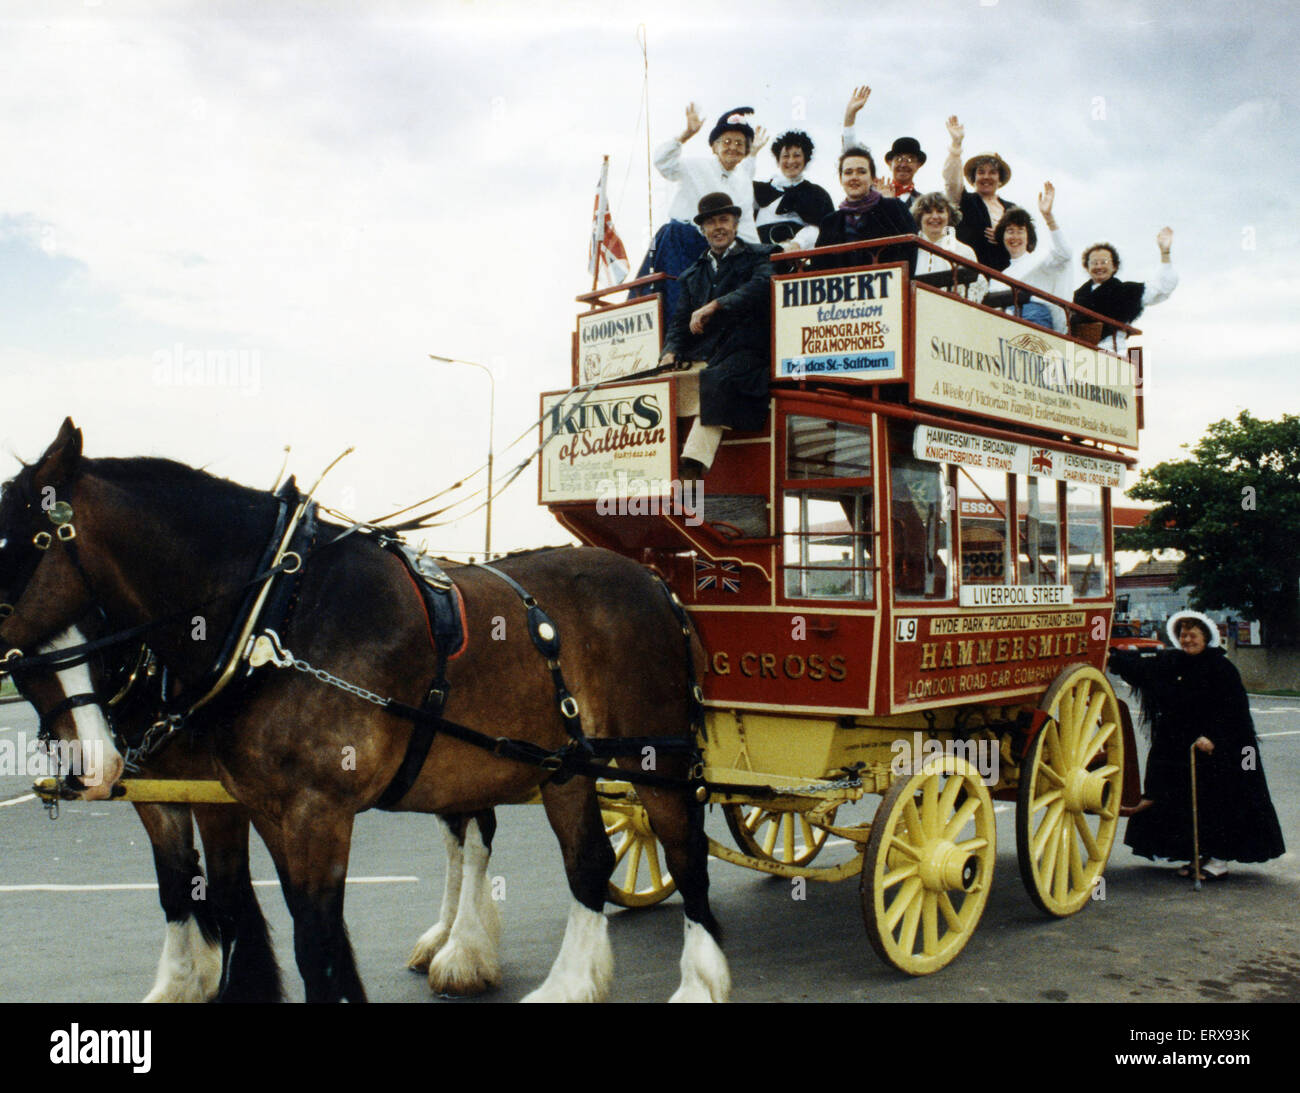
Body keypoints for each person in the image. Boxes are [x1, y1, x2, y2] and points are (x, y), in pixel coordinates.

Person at [1109, 611, 1286, 878]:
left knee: (1219, 801)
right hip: (1185, 745)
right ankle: (1198, 855)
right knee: (1189, 801)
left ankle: (1218, 861)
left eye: (1193, 635)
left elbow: (1235, 711)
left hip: (1222, 748)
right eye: (1183, 634)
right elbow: (1144, 668)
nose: (1187, 640)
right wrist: (1113, 658)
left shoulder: (1222, 668)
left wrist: (1214, 737)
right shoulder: (1174, 661)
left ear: (1206, 637)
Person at [658, 193, 779, 479]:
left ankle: (692, 466)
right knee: (661, 388)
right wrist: (670, 352)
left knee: (717, 380)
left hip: (747, 351)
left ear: (736, 224)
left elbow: (761, 286)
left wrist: (716, 304)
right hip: (707, 355)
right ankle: (655, 467)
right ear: (702, 230)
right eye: (711, 223)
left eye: (724, 220)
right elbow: (679, 323)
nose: (718, 228)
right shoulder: (692, 274)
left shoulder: (761, 255)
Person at [636, 104, 768, 317]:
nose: (732, 147)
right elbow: (663, 163)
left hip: (713, 252)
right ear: (714, 147)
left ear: (745, 151)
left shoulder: (743, 180)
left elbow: (745, 225)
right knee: (674, 304)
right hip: (679, 243)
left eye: (739, 143)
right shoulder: (695, 165)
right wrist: (685, 134)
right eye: (726, 142)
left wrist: (762, 256)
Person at [1072, 228, 1178, 353]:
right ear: (1087, 267)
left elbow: (1162, 287)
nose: (1099, 266)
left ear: (1114, 266)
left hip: (1111, 349)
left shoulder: (1127, 291)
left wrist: (1165, 253)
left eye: (1104, 262)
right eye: (1094, 263)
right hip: (1079, 351)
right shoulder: (1077, 295)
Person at [812, 146, 917, 272]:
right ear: (841, 179)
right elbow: (819, 266)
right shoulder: (829, 222)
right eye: (848, 172)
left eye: (861, 172)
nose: (854, 177)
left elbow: (909, 253)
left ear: (872, 178)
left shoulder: (894, 209)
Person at [942, 115, 1019, 271]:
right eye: (981, 172)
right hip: (968, 272)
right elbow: (951, 180)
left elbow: (1028, 241)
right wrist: (956, 145)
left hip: (1004, 276)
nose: (986, 177)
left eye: (992, 173)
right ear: (973, 177)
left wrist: (1005, 236)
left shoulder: (1012, 209)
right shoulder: (963, 199)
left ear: (1000, 179)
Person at [993, 183, 1069, 332]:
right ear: (1002, 236)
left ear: (1029, 237)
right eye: (1010, 231)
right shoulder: (999, 276)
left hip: (1035, 317)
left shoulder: (1041, 260)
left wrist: (1049, 217)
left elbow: (1064, 254)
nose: (1015, 236)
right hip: (1004, 322)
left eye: (1020, 231)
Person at [840, 85, 927, 212]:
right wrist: (850, 116)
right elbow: (852, 158)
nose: (903, 164)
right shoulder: (871, 191)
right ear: (889, 162)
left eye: (910, 160)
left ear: (918, 164)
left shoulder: (923, 202)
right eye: (898, 159)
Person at [753, 129, 835, 251]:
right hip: (761, 257)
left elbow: (823, 230)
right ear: (778, 160)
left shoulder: (817, 194)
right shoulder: (759, 190)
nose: (791, 161)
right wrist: (751, 154)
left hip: (800, 259)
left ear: (805, 159)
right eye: (785, 156)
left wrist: (797, 244)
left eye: (797, 155)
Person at [911, 191, 987, 303]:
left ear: (949, 216)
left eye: (940, 211)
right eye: (928, 212)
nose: (935, 216)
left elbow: (976, 288)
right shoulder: (910, 250)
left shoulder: (964, 251)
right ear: (919, 217)